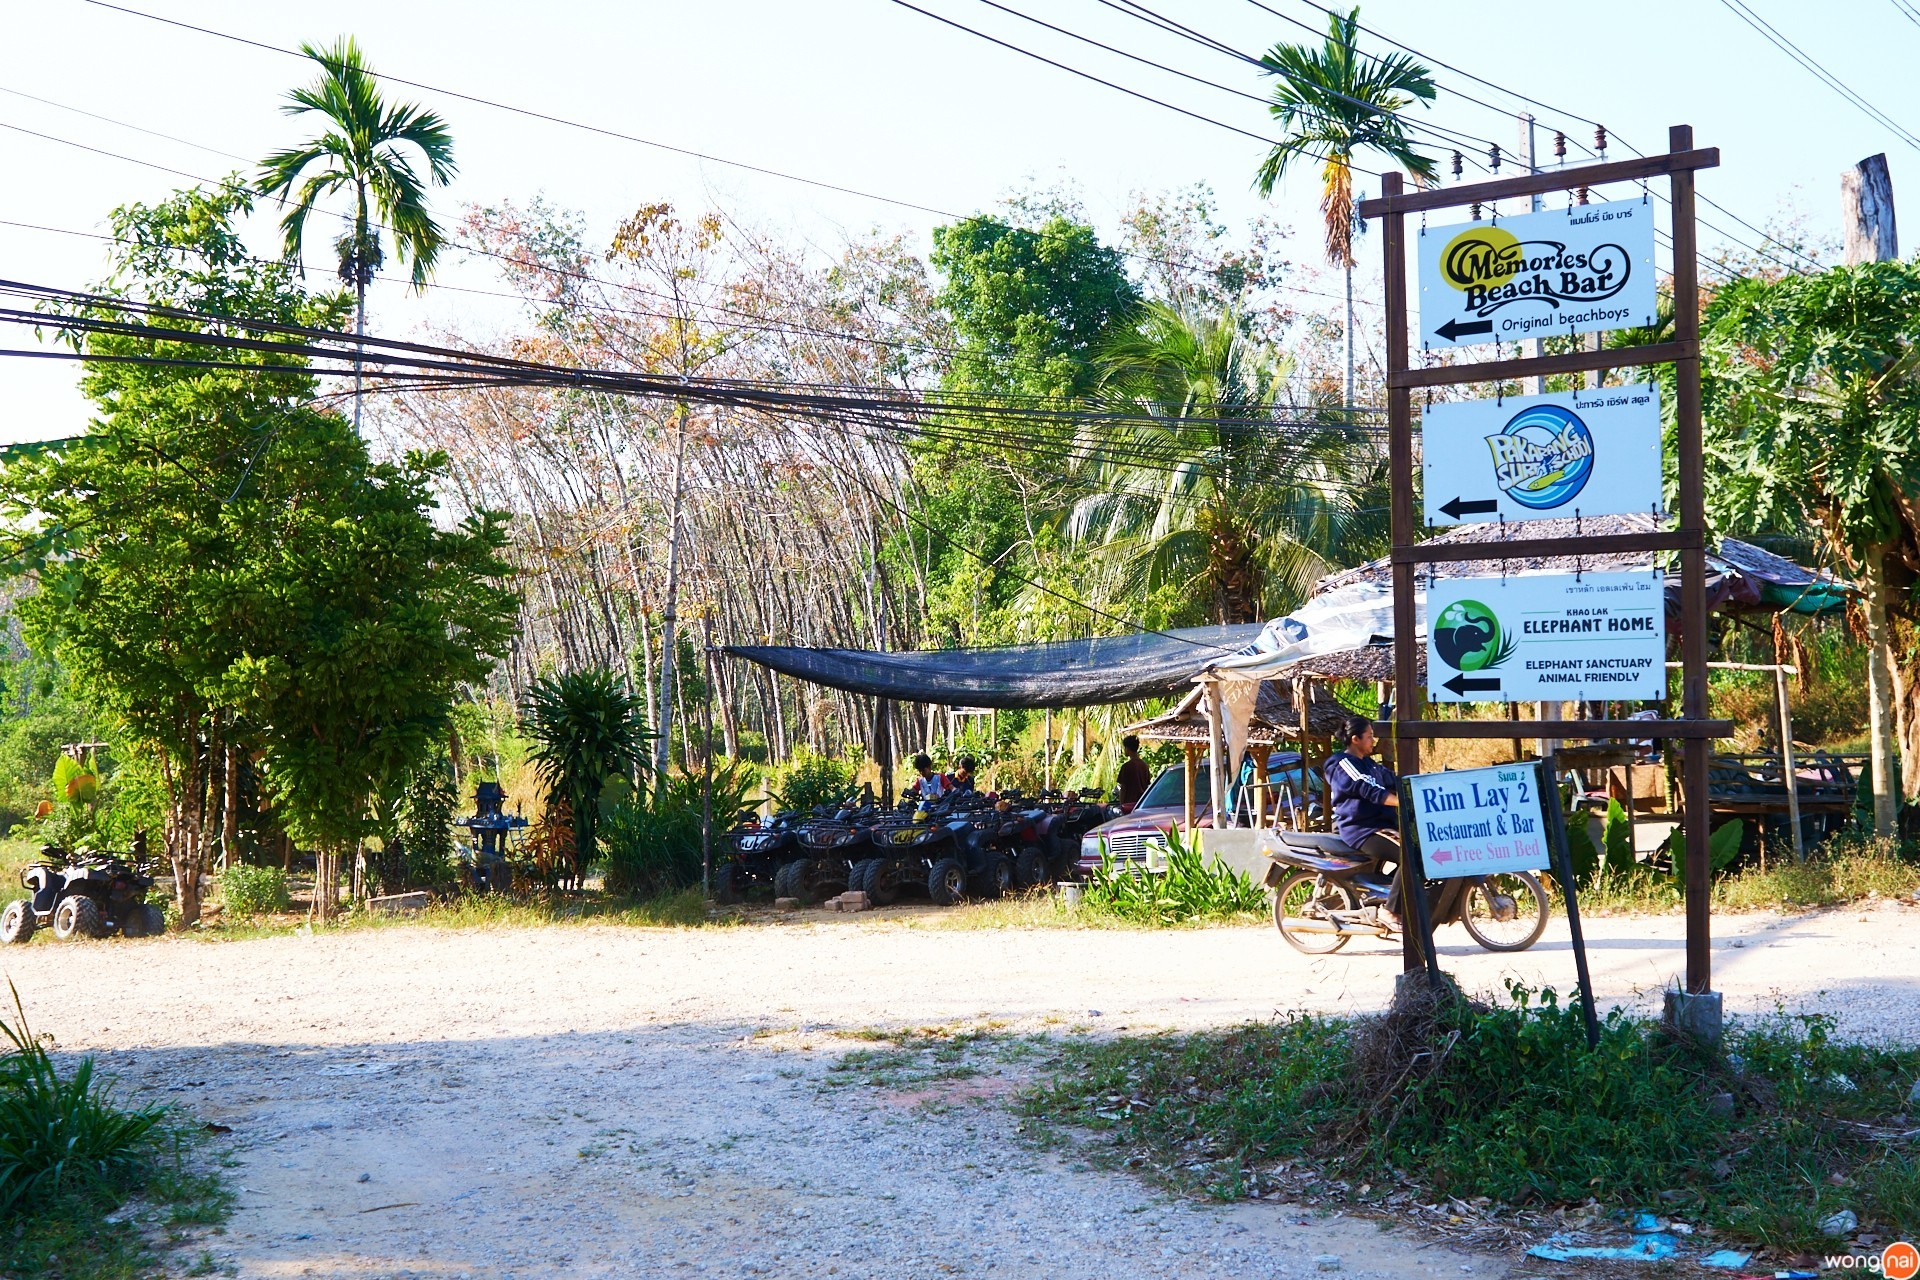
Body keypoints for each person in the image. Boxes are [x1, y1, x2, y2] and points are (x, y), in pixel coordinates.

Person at [1323, 714, 1402, 927]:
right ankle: (1389, 910)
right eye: (1369, 736)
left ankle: (1391, 895)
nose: (1373, 741)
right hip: (1362, 830)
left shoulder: (1369, 764)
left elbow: (1393, 779)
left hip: (1381, 826)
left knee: (1420, 853)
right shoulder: (1342, 764)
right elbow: (1367, 788)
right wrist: (1401, 802)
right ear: (1355, 739)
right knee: (1410, 856)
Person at [1116, 734, 1151, 811]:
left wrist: (1121, 805)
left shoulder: (1126, 766)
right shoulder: (1144, 765)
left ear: (1127, 748)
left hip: (1129, 805)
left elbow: (1123, 788)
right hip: (1141, 803)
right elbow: (1147, 785)